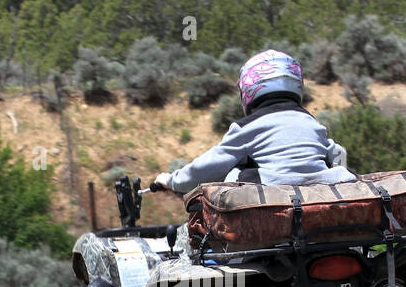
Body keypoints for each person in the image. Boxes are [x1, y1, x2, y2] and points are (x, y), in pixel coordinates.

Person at [149, 49, 357, 194]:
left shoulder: (246, 128)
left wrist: (172, 181)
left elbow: (207, 167)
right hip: (319, 201)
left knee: (233, 173)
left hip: (272, 208)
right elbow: (338, 153)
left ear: (248, 89)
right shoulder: (311, 122)